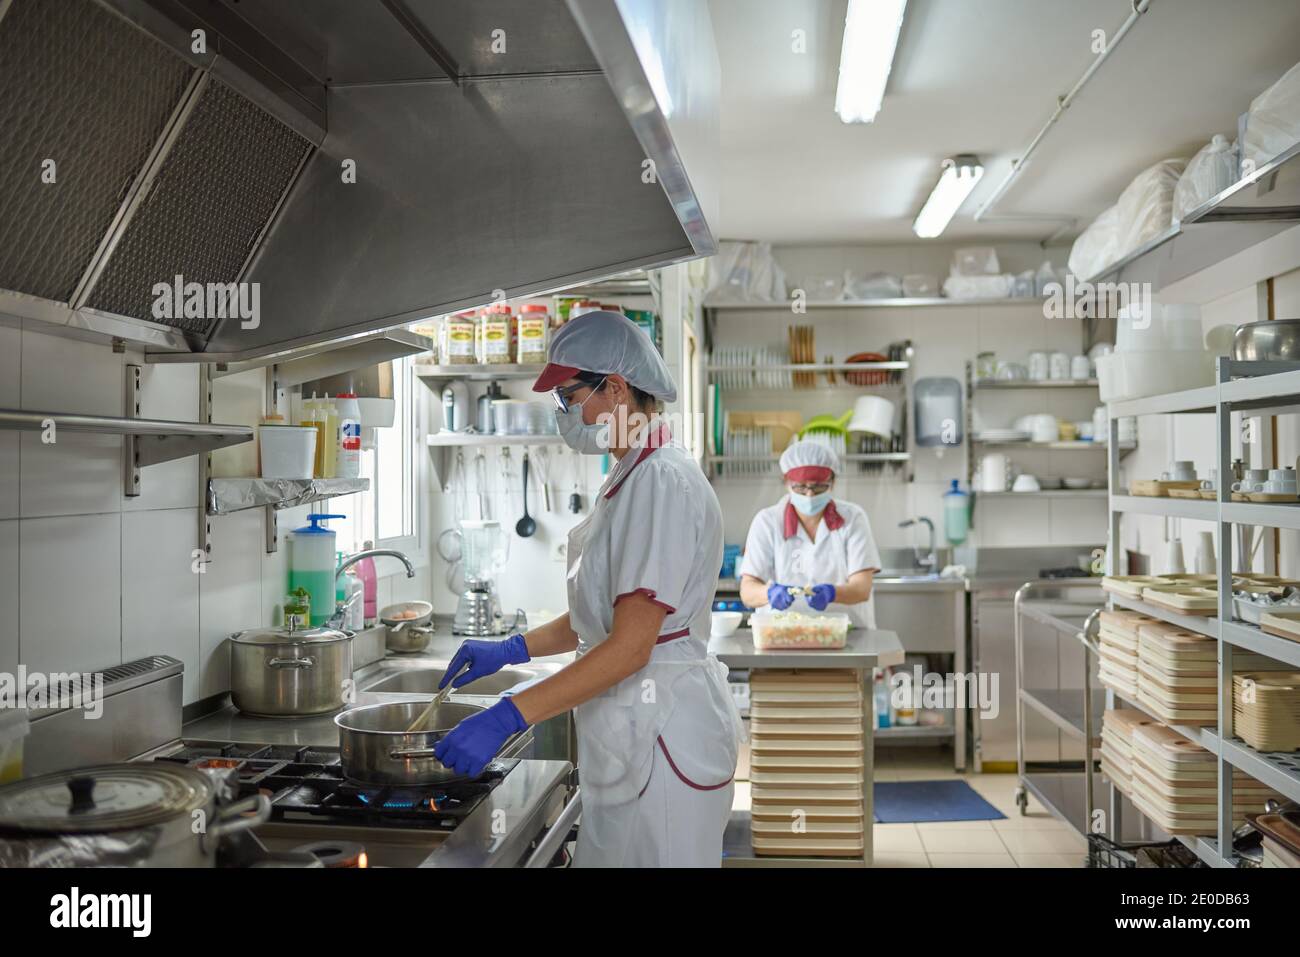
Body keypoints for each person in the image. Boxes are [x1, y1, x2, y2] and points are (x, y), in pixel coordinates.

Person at [433, 310, 743, 867]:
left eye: (569, 398)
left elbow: (630, 646)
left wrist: (511, 712)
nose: (564, 414)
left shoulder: (661, 482)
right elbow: (598, 618)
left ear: (617, 389)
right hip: (634, 736)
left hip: (664, 737)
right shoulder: (630, 476)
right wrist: (512, 649)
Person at [738, 440, 882, 628]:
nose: (809, 495)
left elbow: (862, 588)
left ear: (833, 482)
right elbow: (747, 591)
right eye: (800, 486)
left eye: (818, 486)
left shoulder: (853, 518)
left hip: (848, 632)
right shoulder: (767, 522)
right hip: (782, 634)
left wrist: (832, 593)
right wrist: (769, 593)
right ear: (786, 483)